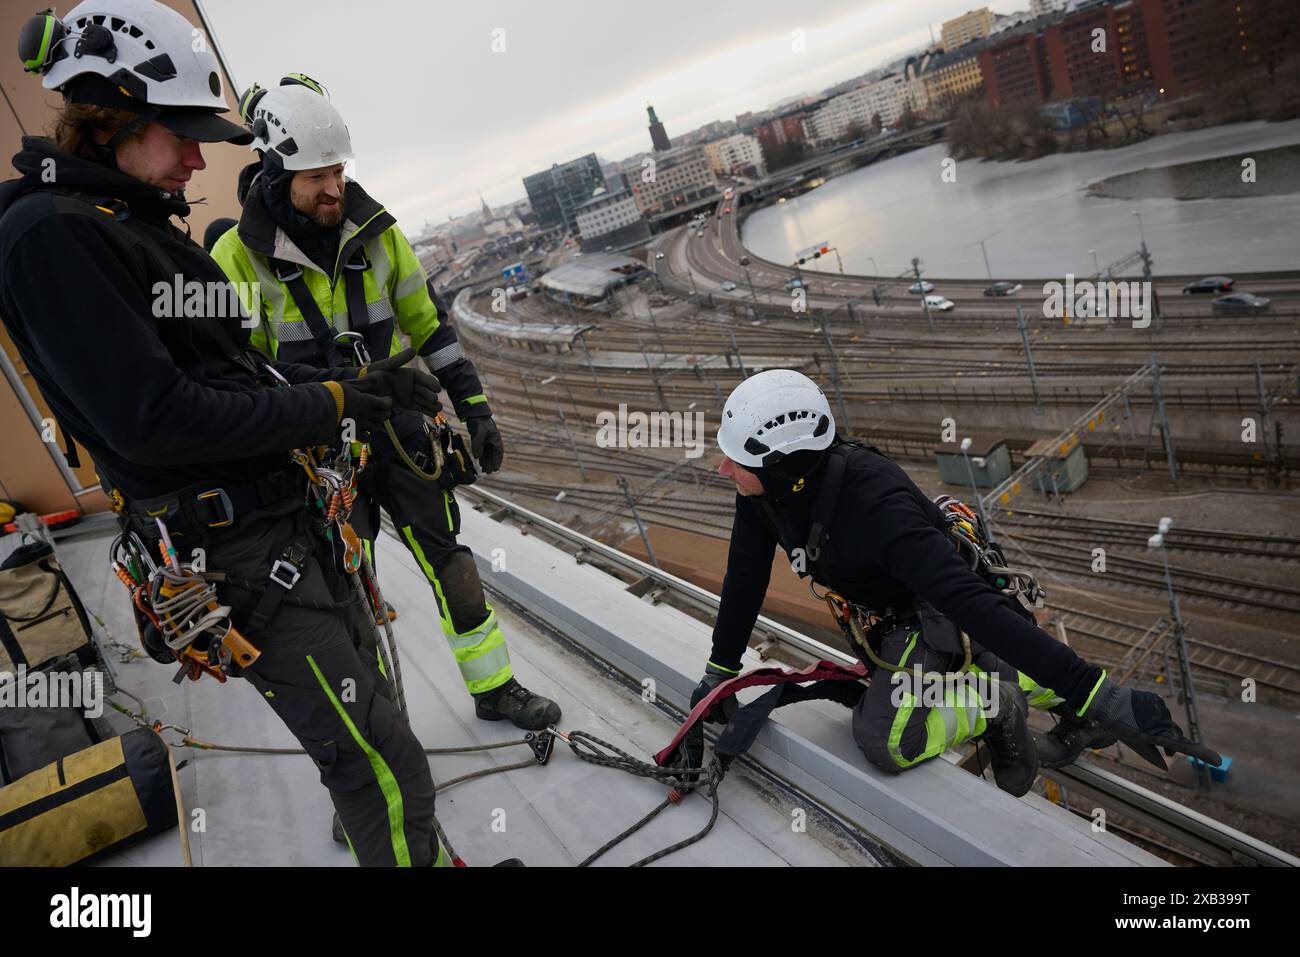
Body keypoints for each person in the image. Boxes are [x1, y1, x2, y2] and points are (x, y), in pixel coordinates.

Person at [1, 0, 451, 865]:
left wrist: (340, 388)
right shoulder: (53, 238)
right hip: (238, 555)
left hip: (277, 527)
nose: (199, 157)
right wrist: (333, 406)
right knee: (376, 760)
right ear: (114, 116)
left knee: (379, 722)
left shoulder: (127, 228)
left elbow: (227, 372)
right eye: (181, 133)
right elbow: (158, 419)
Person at [211, 77, 560, 730]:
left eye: (338, 170)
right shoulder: (236, 259)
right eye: (317, 175)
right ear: (273, 166)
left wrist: (476, 410)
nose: (333, 188)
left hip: (400, 431)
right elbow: (243, 374)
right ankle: (379, 738)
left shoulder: (376, 233)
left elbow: (431, 329)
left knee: (452, 562)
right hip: (317, 449)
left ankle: (495, 686)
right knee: (349, 593)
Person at [695, 369, 1221, 794]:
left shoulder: (876, 508)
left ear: (785, 465)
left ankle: (997, 709)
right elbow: (745, 573)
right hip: (888, 618)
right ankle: (1065, 711)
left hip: (929, 617)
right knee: (975, 661)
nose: (722, 469)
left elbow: (973, 605)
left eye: (735, 459)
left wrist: (1098, 694)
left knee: (884, 742)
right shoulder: (765, 496)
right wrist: (720, 667)